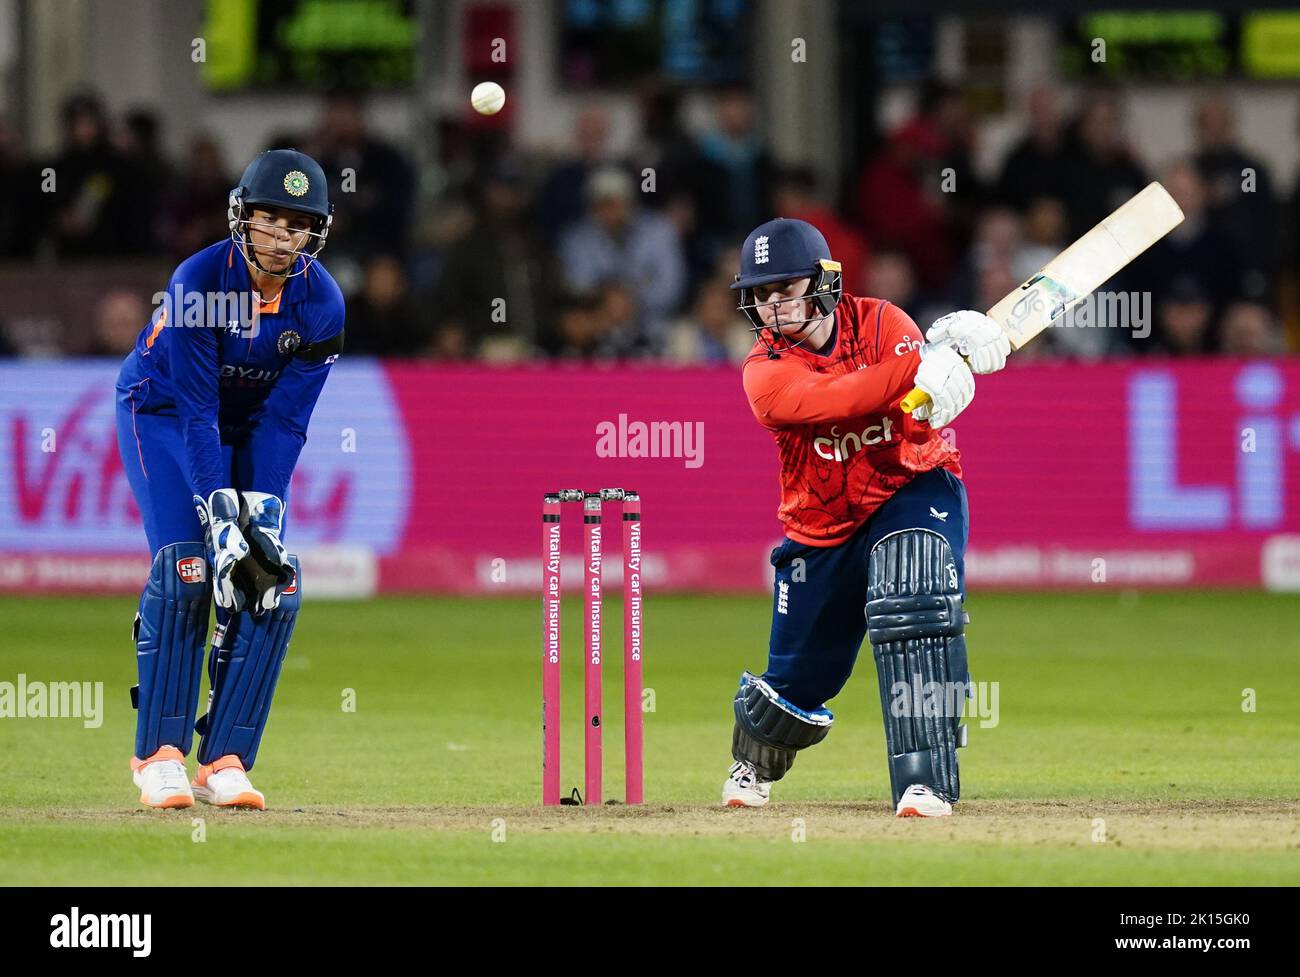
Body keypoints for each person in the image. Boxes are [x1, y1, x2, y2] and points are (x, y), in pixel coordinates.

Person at [721, 218, 1008, 817]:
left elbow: (918, 407)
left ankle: (925, 781)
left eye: (787, 289)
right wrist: (931, 362)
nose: (774, 306)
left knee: (914, 593)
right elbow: (842, 400)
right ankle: (754, 760)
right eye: (762, 294)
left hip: (912, 480)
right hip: (822, 523)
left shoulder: (882, 323)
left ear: (824, 283)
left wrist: (948, 382)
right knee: (798, 680)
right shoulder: (764, 373)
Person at [114, 149, 345, 810]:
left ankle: (226, 759)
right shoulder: (197, 282)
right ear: (242, 218)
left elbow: (285, 422)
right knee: (189, 565)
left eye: (297, 226)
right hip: (160, 412)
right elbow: (194, 407)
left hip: (248, 426)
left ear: (314, 234)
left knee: (270, 577)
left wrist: (260, 515)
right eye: (270, 221)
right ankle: (158, 754)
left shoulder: (321, 302)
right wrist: (220, 512)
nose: (281, 239)